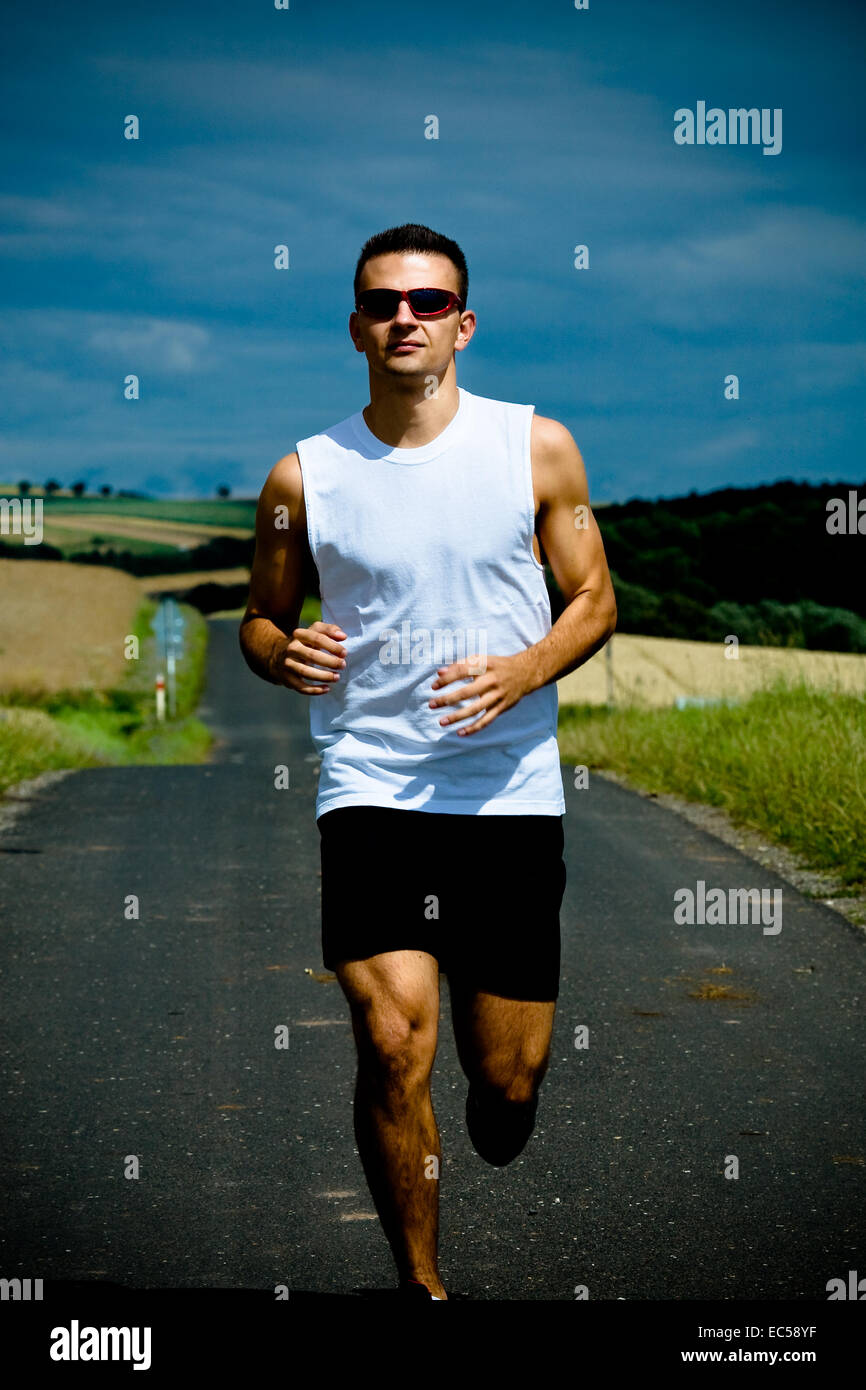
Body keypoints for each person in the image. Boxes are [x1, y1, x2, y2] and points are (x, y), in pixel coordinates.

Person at [239, 223, 616, 1301]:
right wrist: (284, 650)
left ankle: (497, 1104)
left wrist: (523, 669)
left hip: (504, 793)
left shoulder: (534, 447)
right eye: (382, 302)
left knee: (502, 1092)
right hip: (370, 785)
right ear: (354, 325)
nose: (403, 316)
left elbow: (593, 596)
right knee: (392, 1035)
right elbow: (259, 622)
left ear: (463, 322)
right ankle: (422, 1288)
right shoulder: (302, 475)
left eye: (426, 300)